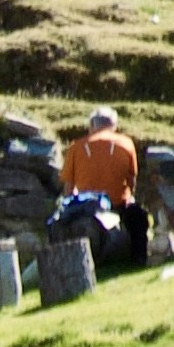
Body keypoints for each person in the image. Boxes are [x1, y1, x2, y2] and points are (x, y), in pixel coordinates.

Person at [48, 107, 147, 277]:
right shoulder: (126, 143)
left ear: (92, 125)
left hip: (89, 209)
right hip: (119, 204)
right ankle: (138, 260)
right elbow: (132, 179)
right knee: (138, 217)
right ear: (114, 126)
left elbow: (69, 189)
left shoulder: (76, 148)